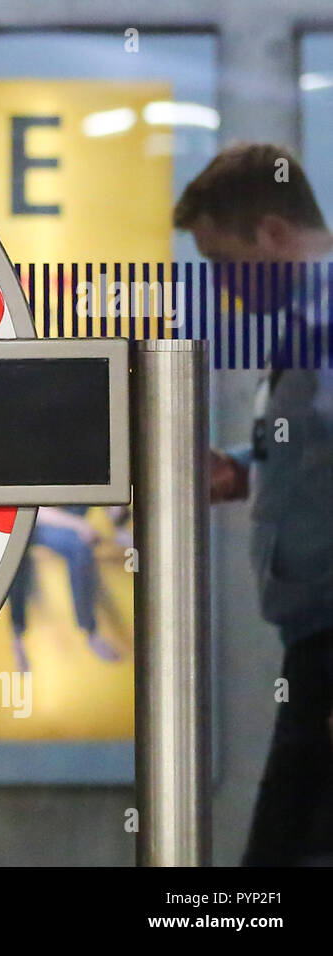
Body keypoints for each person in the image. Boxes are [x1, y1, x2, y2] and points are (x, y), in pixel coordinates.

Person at [175, 143, 333, 865]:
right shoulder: (308, 327)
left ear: (271, 233)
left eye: (223, 261)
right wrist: (239, 470)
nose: (226, 287)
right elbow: (309, 449)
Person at [5, 506, 124, 672]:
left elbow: (112, 508)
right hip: (31, 523)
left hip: (65, 526)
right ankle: (17, 636)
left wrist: (118, 518)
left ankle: (90, 631)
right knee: (16, 550)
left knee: (81, 546)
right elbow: (37, 511)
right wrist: (79, 524)